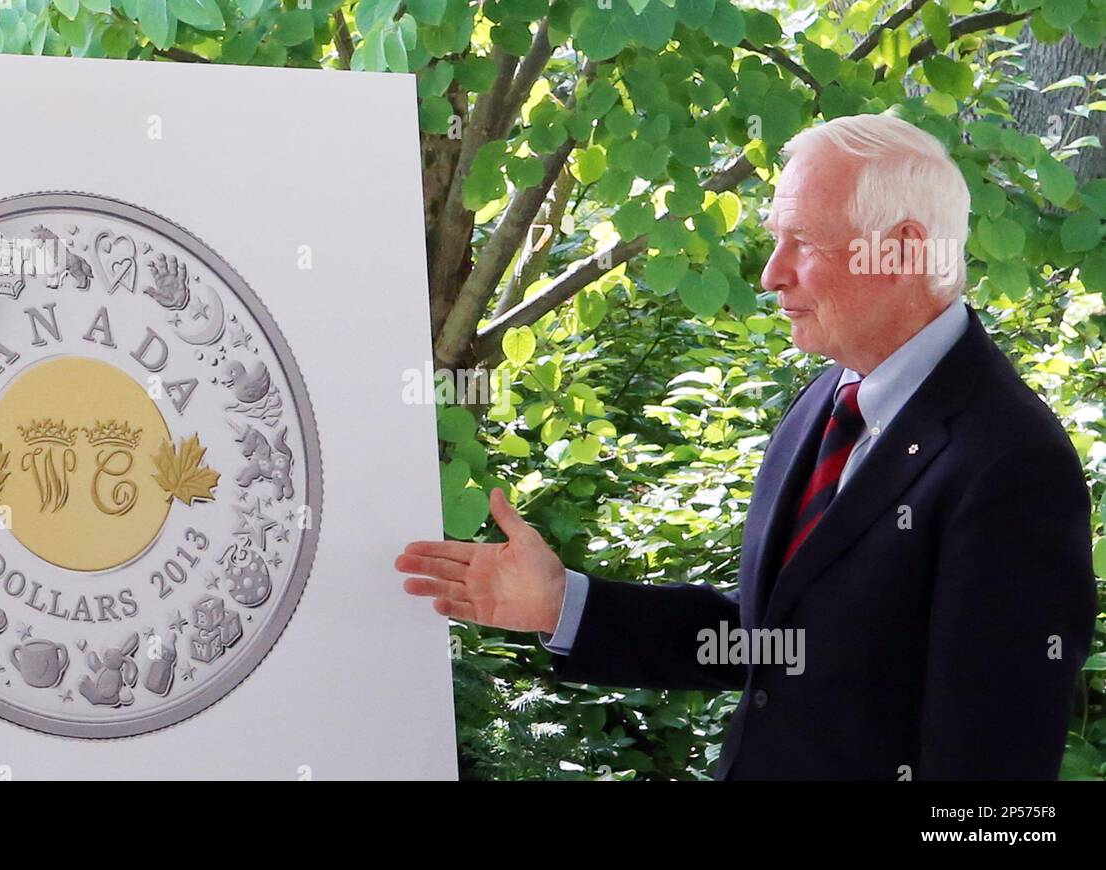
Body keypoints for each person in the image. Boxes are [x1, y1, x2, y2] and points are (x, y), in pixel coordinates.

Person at [394, 113, 1098, 780]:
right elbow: (770, 635)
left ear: (905, 250)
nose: (770, 274)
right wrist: (561, 605)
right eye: (774, 238)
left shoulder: (1013, 465)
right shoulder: (827, 398)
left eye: (804, 243)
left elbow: (990, 775)